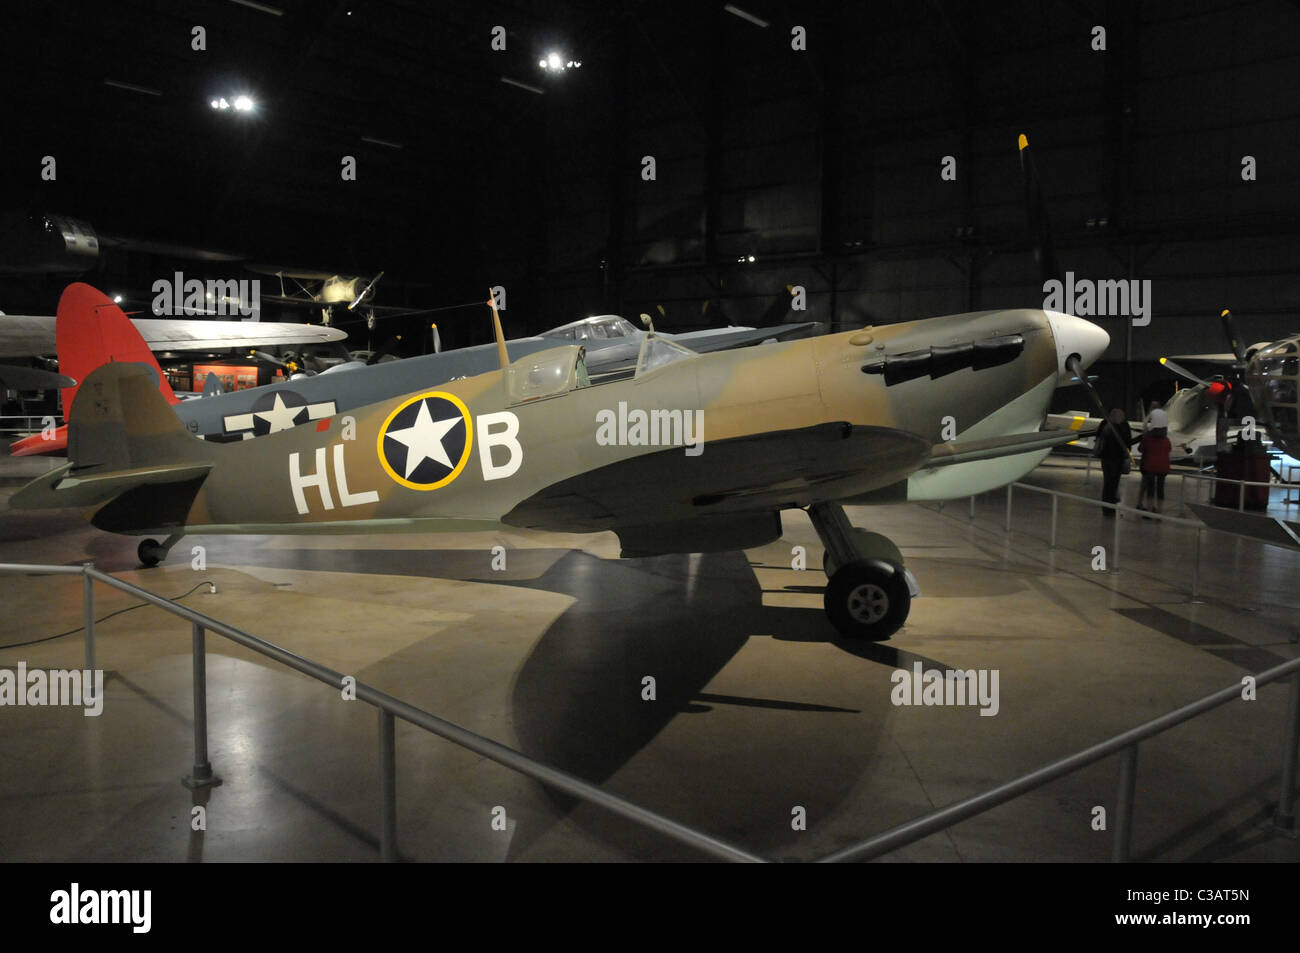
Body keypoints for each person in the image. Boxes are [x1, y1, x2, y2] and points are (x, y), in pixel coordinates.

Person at [1097, 407, 1133, 516]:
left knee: (1107, 482)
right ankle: (1110, 508)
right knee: (1114, 483)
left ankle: (1106, 508)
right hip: (1117, 459)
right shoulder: (1124, 425)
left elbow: (1098, 437)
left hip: (1106, 458)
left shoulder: (1105, 423)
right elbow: (1128, 442)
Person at [1136, 408, 1172, 516]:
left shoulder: (1148, 438)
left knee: (1150, 489)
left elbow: (1140, 449)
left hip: (1150, 466)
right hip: (1163, 467)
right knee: (1160, 489)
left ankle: (1150, 510)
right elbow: (1169, 449)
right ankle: (1160, 511)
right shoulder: (1166, 440)